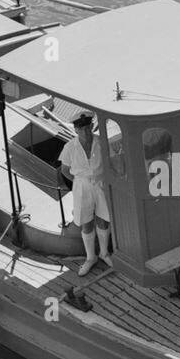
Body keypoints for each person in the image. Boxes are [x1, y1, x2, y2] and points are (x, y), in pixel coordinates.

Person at [59, 114, 113, 275]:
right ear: (76, 129)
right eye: (82, 129)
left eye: (88, 127)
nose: (86, 132)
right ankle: (91, 257)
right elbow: (65, 171)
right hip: (82, 186)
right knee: (86, 222)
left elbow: (111, 161)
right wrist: (79, 182)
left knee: (103, 219)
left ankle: (104, 253)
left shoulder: (102, 142)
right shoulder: (69, 147)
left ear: (91, 126)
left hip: (101, 184)